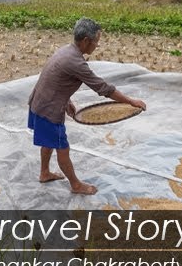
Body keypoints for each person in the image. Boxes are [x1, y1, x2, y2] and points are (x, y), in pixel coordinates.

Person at [27, 17, 146, 195]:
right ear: (86, 41)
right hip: (49, 110)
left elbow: (54, 79)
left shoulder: (66, 51)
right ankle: (75, 185)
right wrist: (130, 101)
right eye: (96, 41)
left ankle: (44, 173)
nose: (97, 45)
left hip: (39, 102)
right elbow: (103, 88)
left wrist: (66, 101)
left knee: (49, 141)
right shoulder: (76, 62)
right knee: (62, 147)